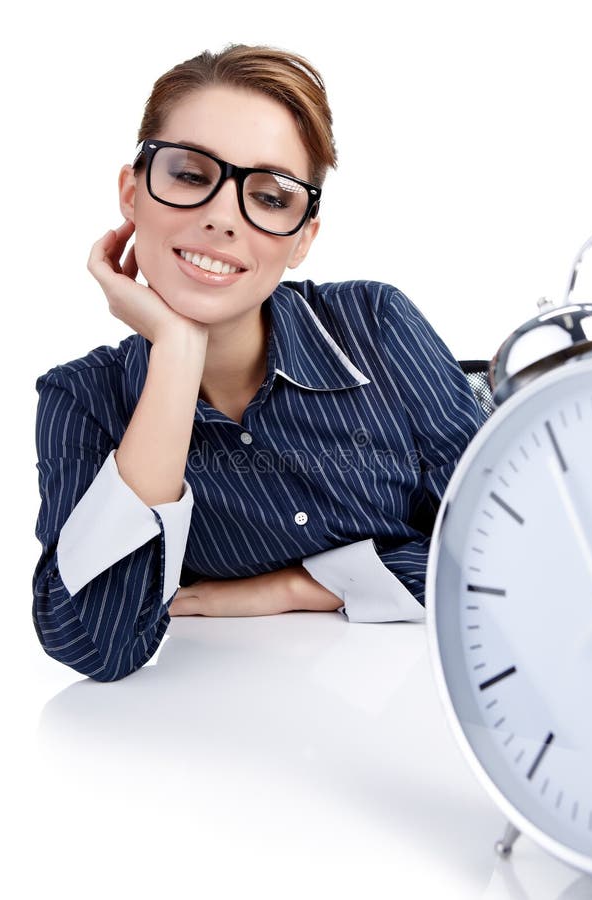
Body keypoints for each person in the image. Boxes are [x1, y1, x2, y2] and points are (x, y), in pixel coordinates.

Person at [33, 44, 484, 683]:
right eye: (190, 175)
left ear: (303, 237)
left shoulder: (374, 325)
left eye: (270, 197)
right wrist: (177, 355)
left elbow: (511, 549)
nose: (221, 217)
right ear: (132, 193)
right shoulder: (83, 398)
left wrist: (298, 587)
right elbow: (92, 643)